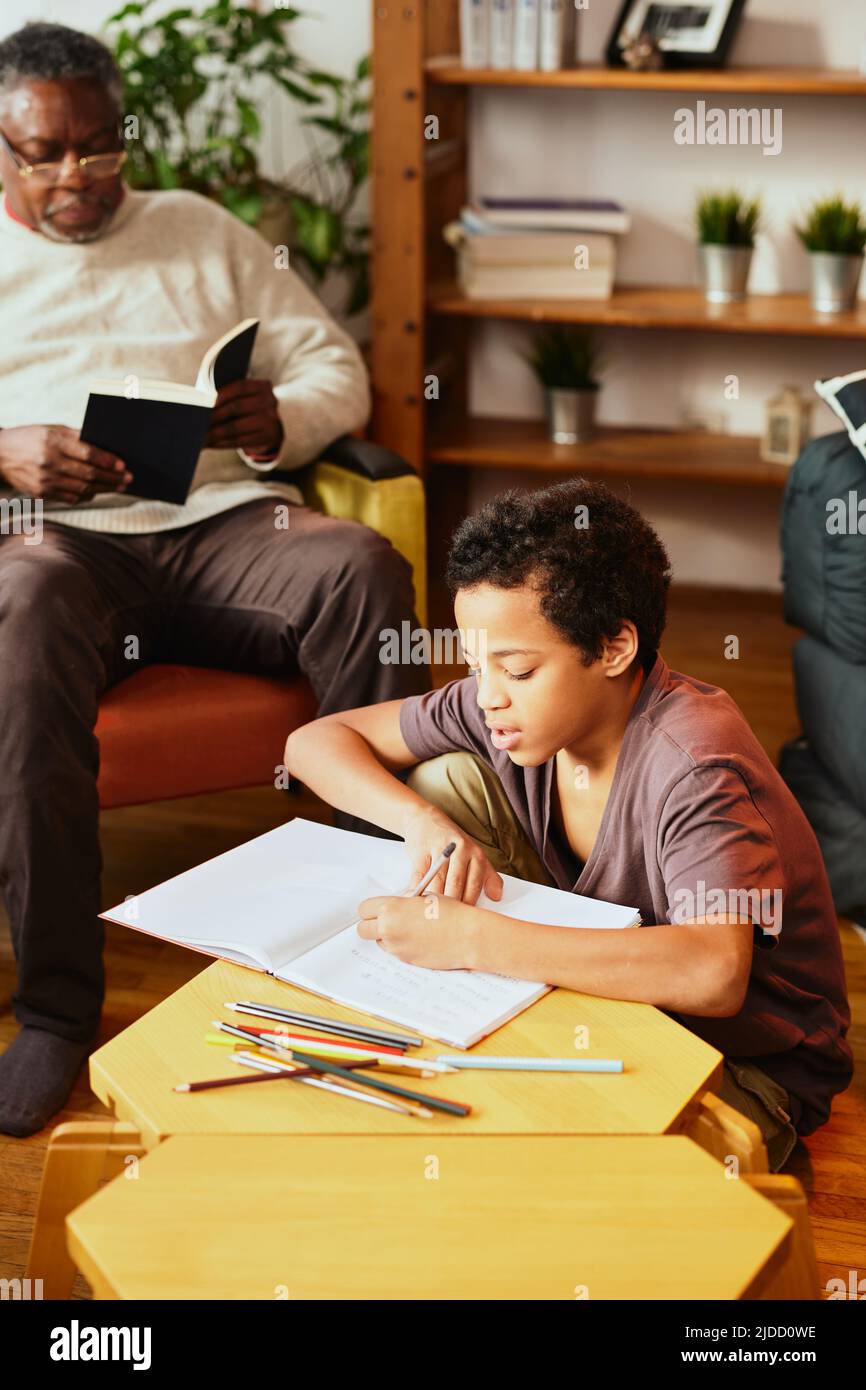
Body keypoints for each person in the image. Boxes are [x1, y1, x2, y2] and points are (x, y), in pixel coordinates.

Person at [0, 22, 425, 1137]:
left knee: (357, 565)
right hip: (55, 540)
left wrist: (286, 417)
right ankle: (53, 1009)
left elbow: (334, 362)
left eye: (99, 147)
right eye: (44, 153)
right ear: (2, 147)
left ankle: (370, 942)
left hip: (222, 519)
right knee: (27, 598)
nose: (77, 175)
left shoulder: (198, 229)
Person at [287, 479, 854, 1172]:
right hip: (617, 1000)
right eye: (474, 665)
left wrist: (474, 939)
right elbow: (314, 743)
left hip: (745, 1062)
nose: (487, 695)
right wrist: (422, 822)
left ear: (615, 648)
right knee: (442, 780)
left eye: (517, 669)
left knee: (557, 1181)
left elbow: (714, 972)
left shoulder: (695, 764)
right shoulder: (505, 709)